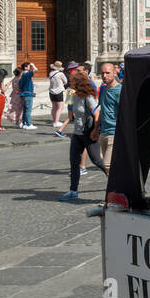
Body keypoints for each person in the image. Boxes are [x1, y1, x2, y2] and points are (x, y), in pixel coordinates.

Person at [59, 70, 106, 201]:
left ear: (78, 83)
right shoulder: (74, 95)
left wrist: (95, 131)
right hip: (77, 133)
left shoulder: (88, 97)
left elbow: (96, 114)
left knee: (97, 160)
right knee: (74, 162)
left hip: (88, 133)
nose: (70, 83)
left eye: (72, 81)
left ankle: (117, 181)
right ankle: (73, 191)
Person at [95, 61, 121, 173]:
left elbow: (125, 114)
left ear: (115, 73)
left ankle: (117, 188)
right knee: (111, 167)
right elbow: (102, 109)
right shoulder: (103, 89)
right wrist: (96, 129)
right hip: (103, 132)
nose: (104, 76)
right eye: (102, 73)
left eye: (107, 73)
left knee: (107, 165)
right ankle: (116, 188)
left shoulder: (120, 91)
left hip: (115, 133)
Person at [17, 60, 37, 129]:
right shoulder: (27, 74)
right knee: (28, 110)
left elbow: (20, 85)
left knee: (25, 110)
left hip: (24, 94)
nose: (30, 68)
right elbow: (35, 70)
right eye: (29, 67)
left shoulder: (22, 75)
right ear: (25, 67)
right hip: (28, 94)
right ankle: (28, 124)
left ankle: (24, 123)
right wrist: (33, 64)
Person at [48, 61, 68, 129]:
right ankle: (56, 122)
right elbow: (65, 81)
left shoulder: (50, 73)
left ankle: (54, 120)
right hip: (59, 91)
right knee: (60, 107)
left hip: (51, 91)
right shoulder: (60, 74)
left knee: (54, 107)